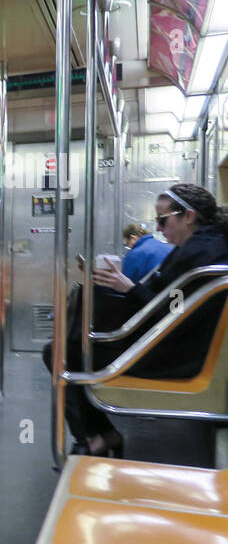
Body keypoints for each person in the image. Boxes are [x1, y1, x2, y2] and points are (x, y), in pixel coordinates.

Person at [42, 184, 228, 457]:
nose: (159, 228)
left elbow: (176, 309)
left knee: (59, 352)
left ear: (188, 216)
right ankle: (100, 434)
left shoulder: (200, 256)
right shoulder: (200, 248)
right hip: (177, 345)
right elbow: (174, 300)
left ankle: (97, 435)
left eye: (163, 220)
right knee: (68, 346)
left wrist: (129, 289)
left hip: (176, 357)